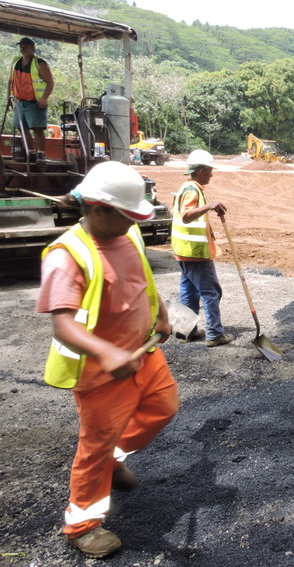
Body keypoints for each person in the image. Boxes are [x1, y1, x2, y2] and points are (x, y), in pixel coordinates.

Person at [36, 162, 179, 558]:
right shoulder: (68, 256)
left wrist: (161, 312)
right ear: (98, 208)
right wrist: (106, 352)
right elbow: (63, 326)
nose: (135, 221)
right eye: (128, 213)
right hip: (101, 372)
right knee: (94, 448)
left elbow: (140, 280)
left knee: (164, 407)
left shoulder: (127, 231)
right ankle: (82, 524)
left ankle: (114, 458)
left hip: (143, 353)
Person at [171, 149, 235, 347]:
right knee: (211, 291)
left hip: (183, 250)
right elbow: (186, 215)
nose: (211, 174)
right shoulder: (192, 190)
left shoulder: (185, 187)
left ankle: (187, 331)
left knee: (188, 291)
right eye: (209, 170)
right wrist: (209, 206)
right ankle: (215, 334)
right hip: (195, 252)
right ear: (200, 171)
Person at [7, 37, 55, 161]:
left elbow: (50, 83)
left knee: (37, 128)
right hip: (19, 101)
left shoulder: (39, 63)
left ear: (33, 48)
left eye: (26, 46)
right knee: (21, 126)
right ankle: (30, 152)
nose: (23, 48)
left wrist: (44, 98)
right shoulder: (16, 61)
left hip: (34, 102)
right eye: (21, 46)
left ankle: (41, 154)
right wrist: (9, 97)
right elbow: (10, 81)